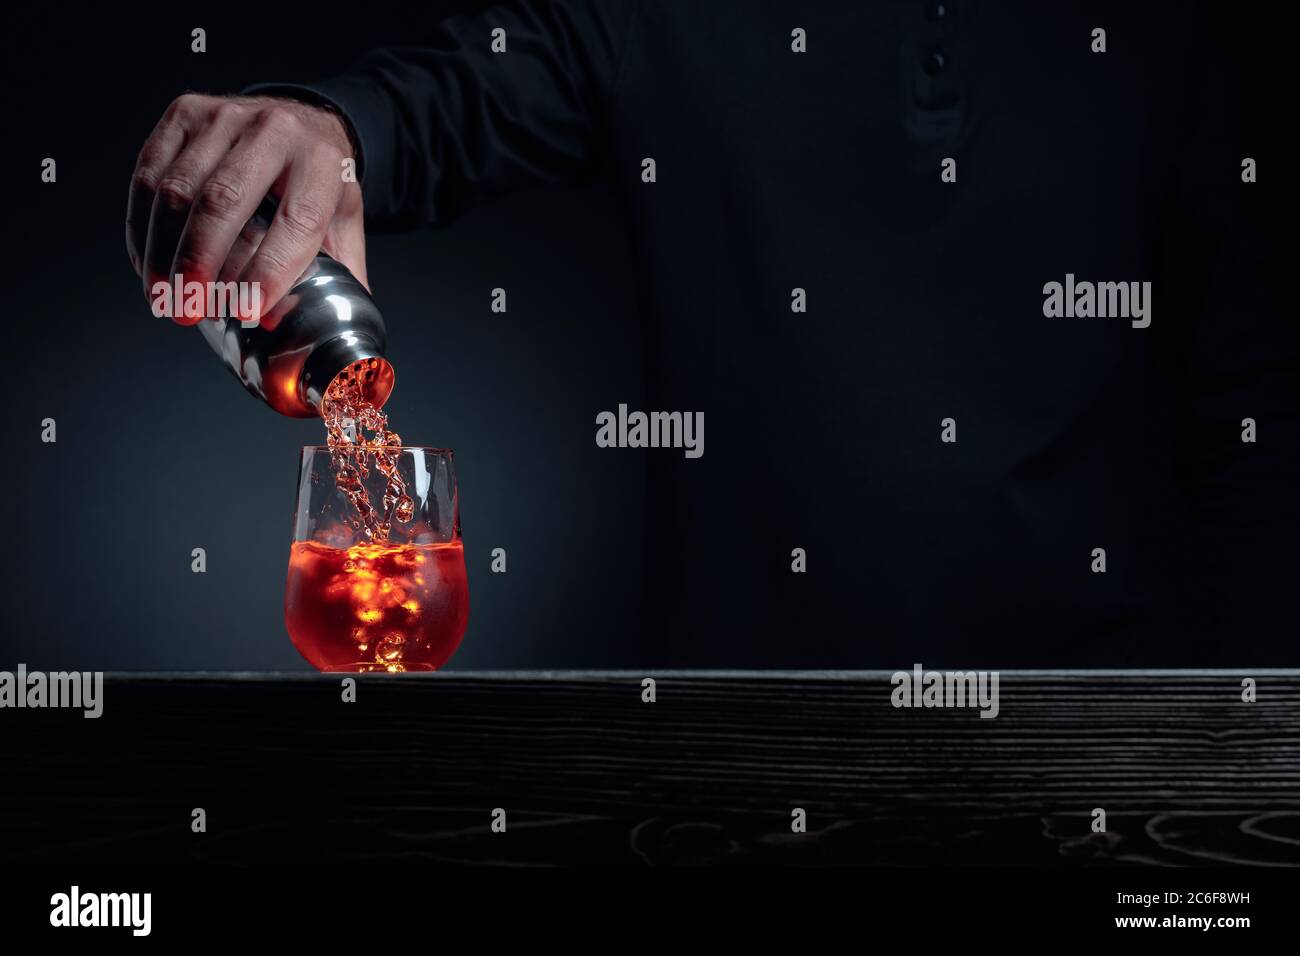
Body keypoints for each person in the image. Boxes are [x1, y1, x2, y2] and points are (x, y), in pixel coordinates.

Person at [125, 1, 1296, 667]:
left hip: (1113, 750)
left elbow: (1253, 411)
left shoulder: (1176, 28)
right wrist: (328, 126)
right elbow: (451, 99)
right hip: (734, 762)